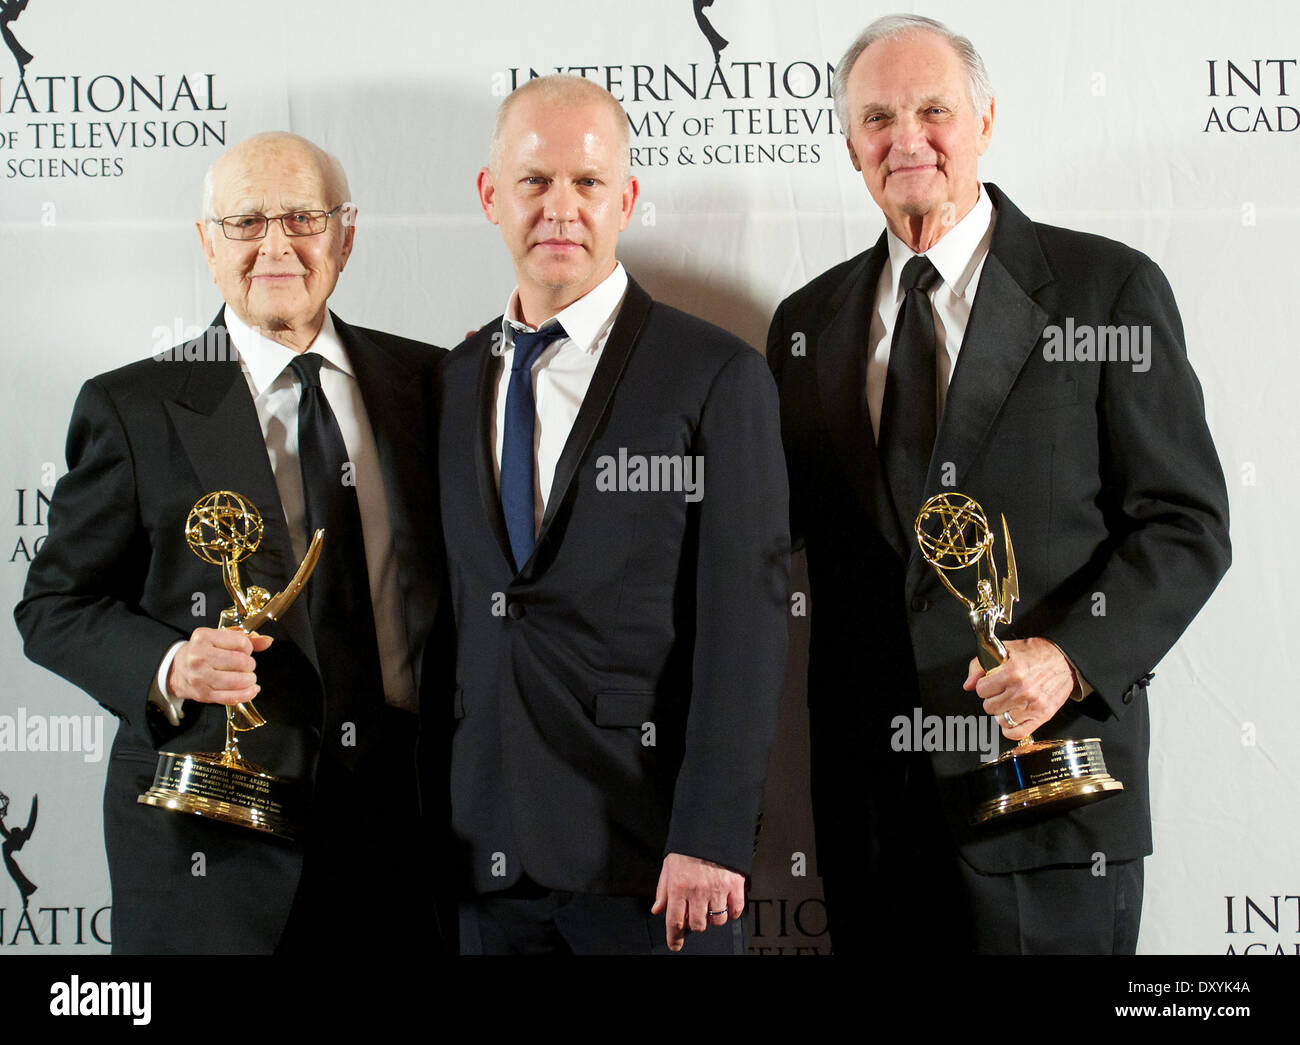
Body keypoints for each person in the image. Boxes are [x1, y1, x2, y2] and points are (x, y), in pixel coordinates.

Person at [766, 15, 1230, 954]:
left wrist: (1069, 657)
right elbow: (774, 540)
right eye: (877, 118)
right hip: (875, 815)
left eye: (933, 111)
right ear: (851, 145)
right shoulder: (805, 324)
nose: (907, 139)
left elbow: (1186, 523)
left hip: (1051, 796)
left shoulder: (1105, 289)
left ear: (984, 121)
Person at [15, 131, 445, 954]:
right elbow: (54, 605)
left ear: (346, 235)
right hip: (215, 843)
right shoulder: (133, 408)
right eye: (245, 222)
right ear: (207, 244)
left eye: (302, 218)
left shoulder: (430, 384)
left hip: (407, 828)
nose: (276, 245)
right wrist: (171, 664)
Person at [436, 74, 789, 955]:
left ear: (625, 199)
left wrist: (711, 834)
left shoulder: (715, 374)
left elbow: (745, 624)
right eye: (534, 180)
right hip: (481, 855)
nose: (561, 207)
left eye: (588, 182)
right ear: (490, 195)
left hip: (652, 857)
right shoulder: (452, 379)